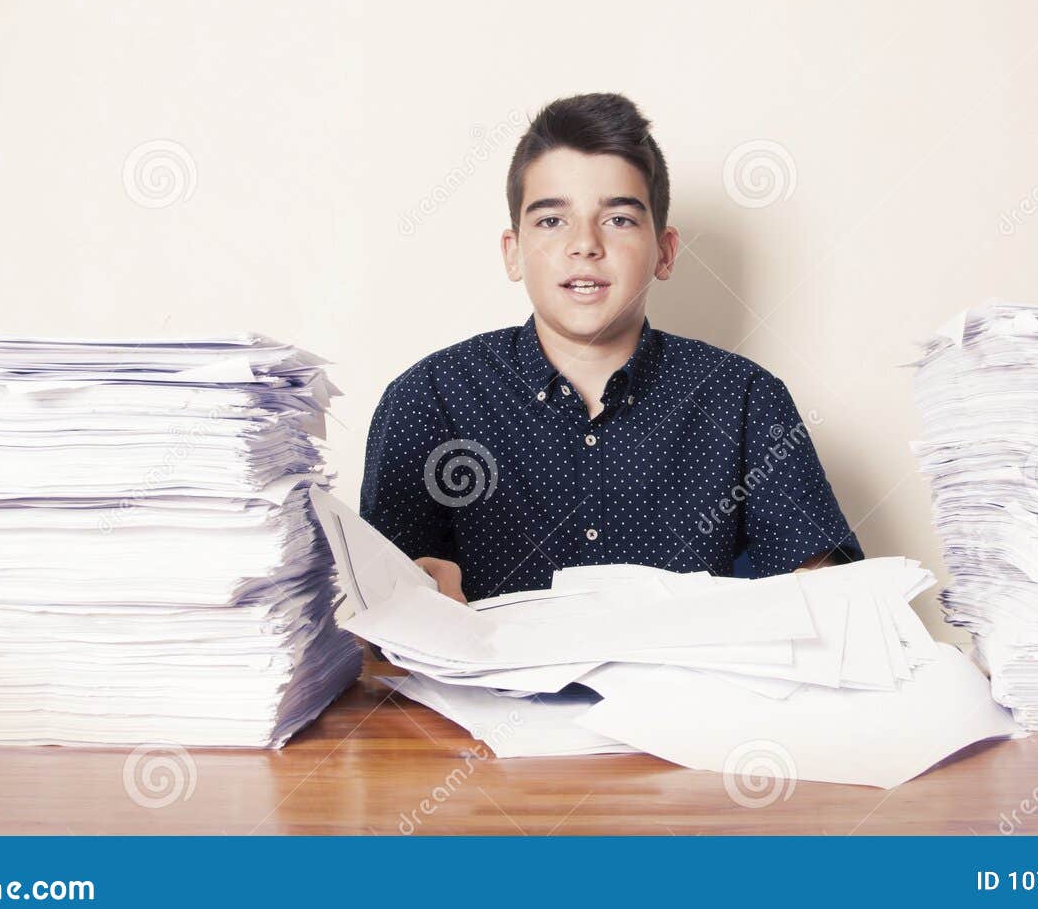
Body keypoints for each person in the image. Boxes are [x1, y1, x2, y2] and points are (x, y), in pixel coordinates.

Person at [360, 92, 861, 603]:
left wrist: (817, 596)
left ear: (664, 252)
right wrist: (413, 602)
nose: (585, 245)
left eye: (618, 219)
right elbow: (377, 620)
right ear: (513, 254)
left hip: (689, 681)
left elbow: (833, 602)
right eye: (551, 221)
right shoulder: (429, 398)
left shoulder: (745, 398)